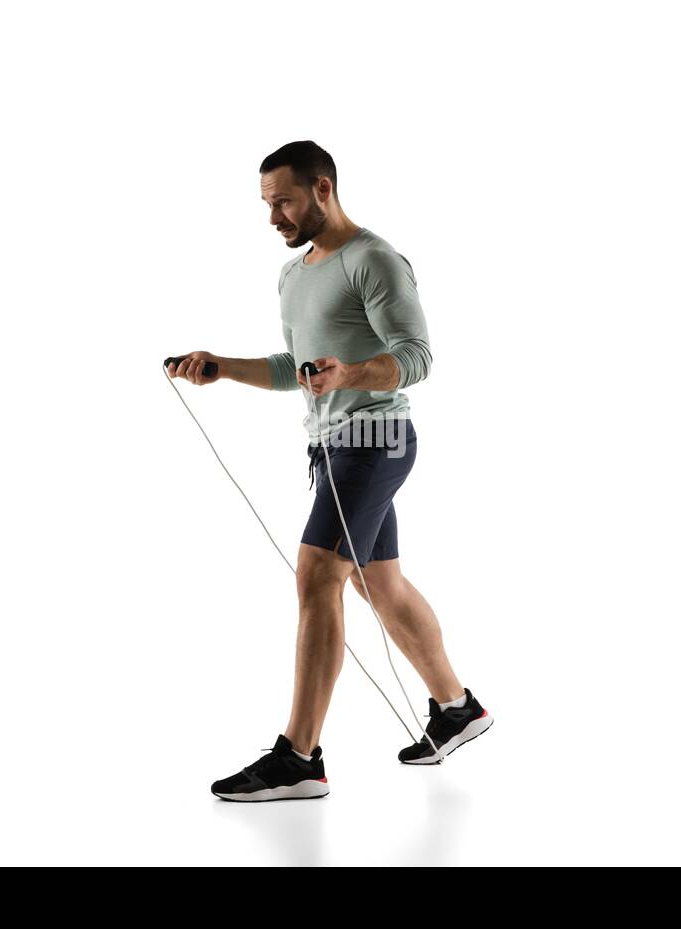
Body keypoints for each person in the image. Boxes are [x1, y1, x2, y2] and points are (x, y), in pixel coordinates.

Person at [166, 141, 492, 801]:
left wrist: (352, 374)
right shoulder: (293, 274)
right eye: (267, 204)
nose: (273, 218)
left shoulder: (374, 261)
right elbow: (297, 369)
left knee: (318, 574)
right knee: (379, 583)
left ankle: (299, 756)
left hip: (376, 439)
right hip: (329, 448)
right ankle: (456, 707)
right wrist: (221, 368)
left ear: (323, 189)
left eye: (284, 202)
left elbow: (417, 356)